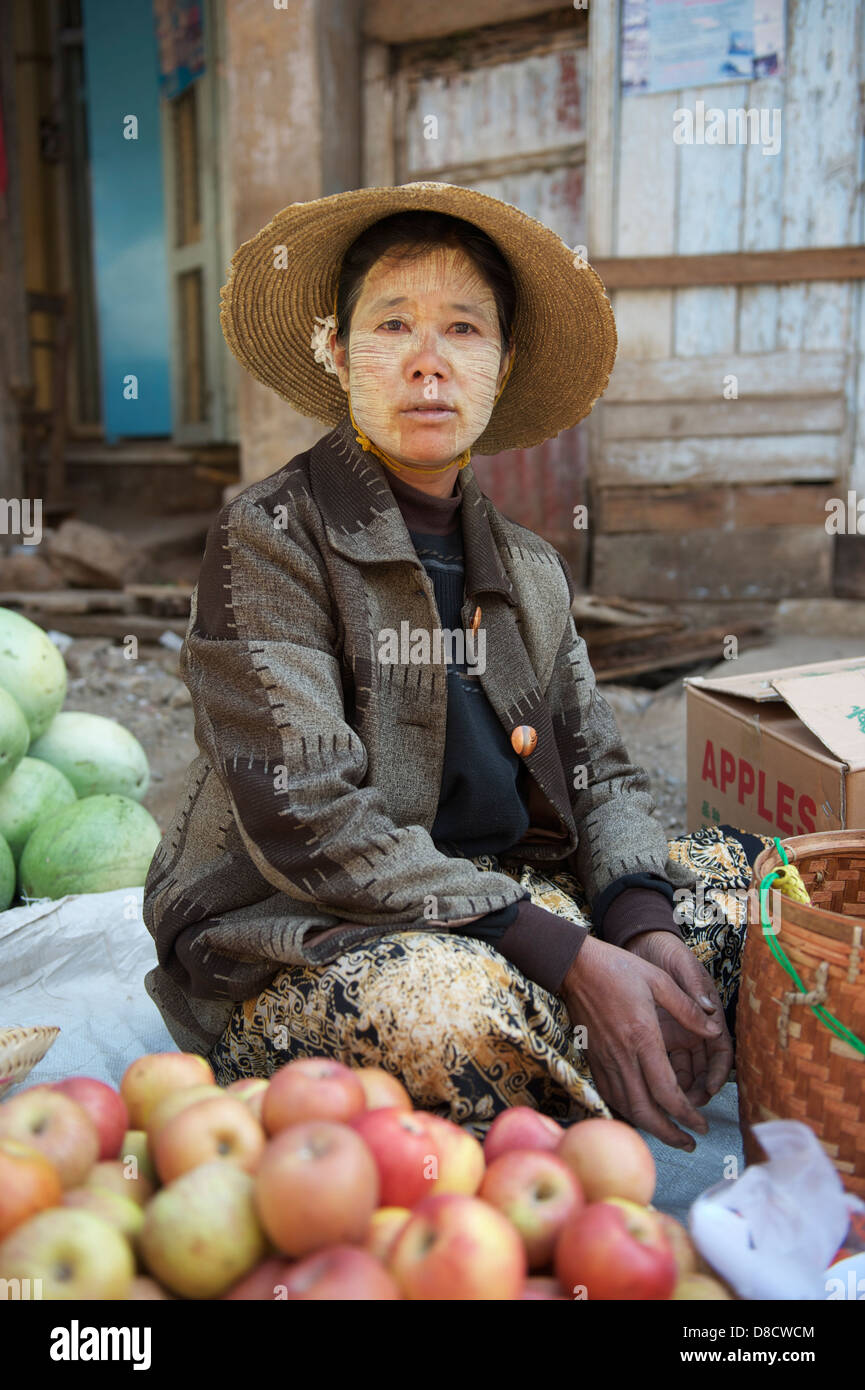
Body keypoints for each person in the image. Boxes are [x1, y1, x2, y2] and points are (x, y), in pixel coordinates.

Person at [142, 182, 774, 1150]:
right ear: (337, 352)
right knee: (445, 1018)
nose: (428, 363)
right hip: (324, 934)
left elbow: (602, 770)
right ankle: (592, 1047)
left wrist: (637, 925)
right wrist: (563, 954)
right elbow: (307, 811)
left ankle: (595, 1043)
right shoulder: (268, 537)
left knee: (750, 893)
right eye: (392, 324)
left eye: (465, 330)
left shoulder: (528, 568)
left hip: (516, 900)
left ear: (503, 364)